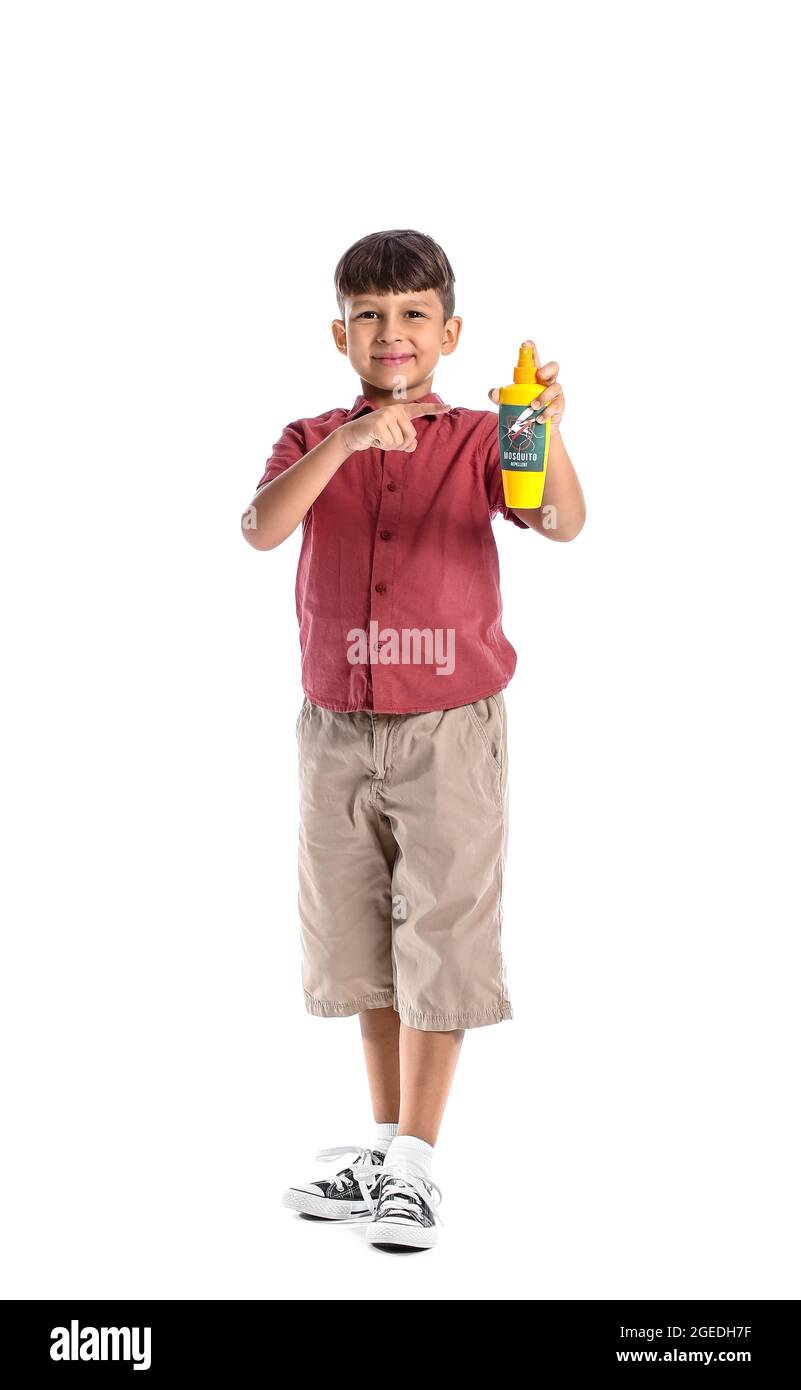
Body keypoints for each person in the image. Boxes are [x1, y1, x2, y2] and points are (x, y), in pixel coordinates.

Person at [240, 229, 586, 1253]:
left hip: (449, 733)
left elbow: (559, 519)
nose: (391, 333)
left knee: (440, 933)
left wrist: (544, 429)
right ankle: (386, 1152)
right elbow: (259, 529)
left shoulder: (484, 439)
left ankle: (420, 1167)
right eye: (370, 315)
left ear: (450, 332)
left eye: (413, 315)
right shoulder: (310, 435)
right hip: (336, 732)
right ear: (340, 330)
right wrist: (347, 444)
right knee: (362, 941)